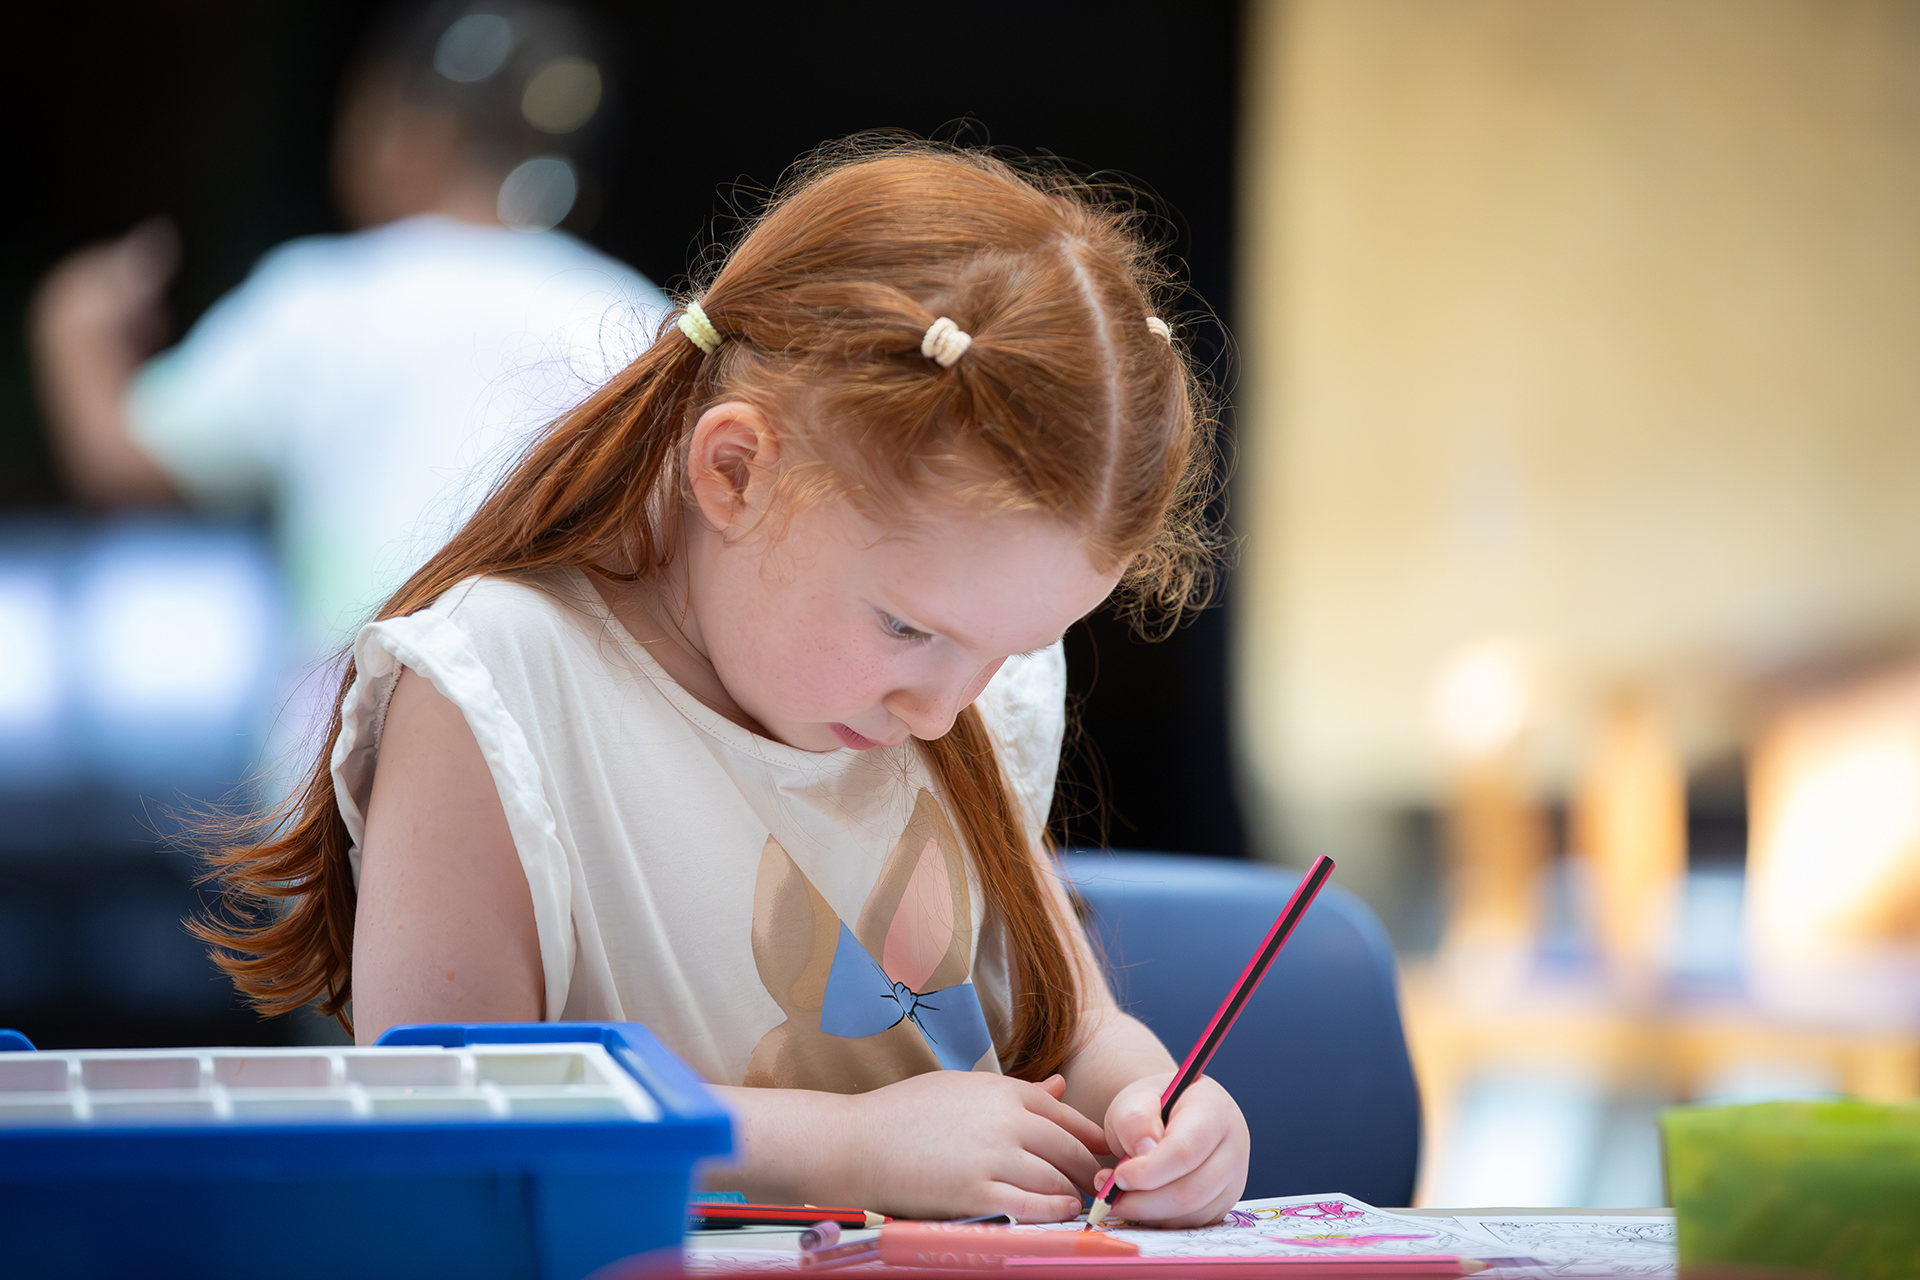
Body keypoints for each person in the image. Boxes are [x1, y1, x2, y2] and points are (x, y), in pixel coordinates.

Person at [196, 142, 1247, 1226]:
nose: (942, 705)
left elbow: (1080, 1026)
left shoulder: (961, 683)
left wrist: (1159, 1104)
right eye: (906, 627)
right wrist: (845, 1147)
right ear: (734, 471)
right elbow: (449, 1125)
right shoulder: (496, 693)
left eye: (1012, 647)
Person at [30, 2, 664, 655]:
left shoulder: (322, 298)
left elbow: (126, 466)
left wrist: (71, 322)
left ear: (408, 136)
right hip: (545, 746)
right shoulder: (632, 319)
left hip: (346, 745)